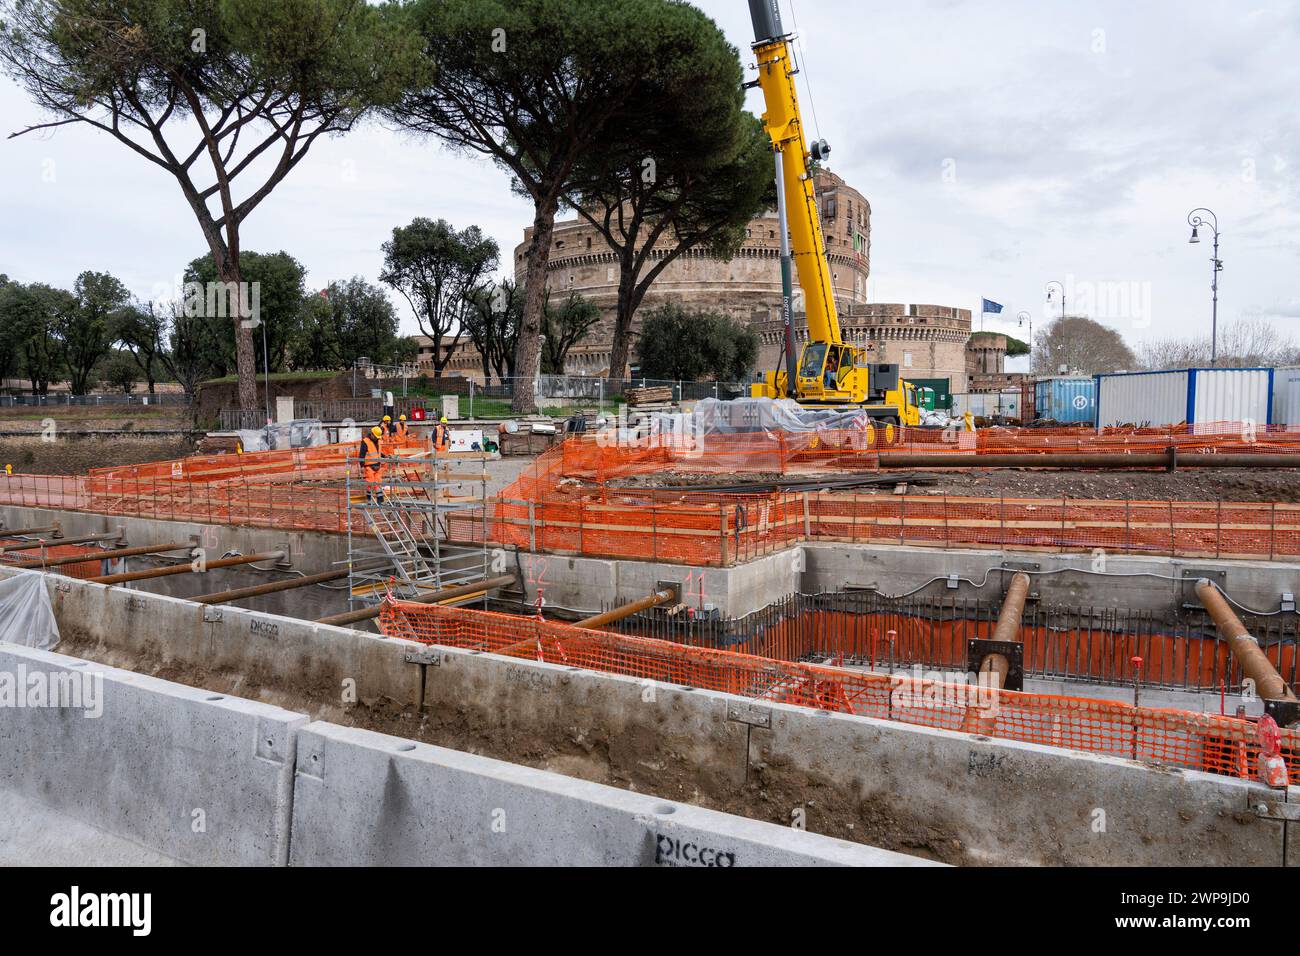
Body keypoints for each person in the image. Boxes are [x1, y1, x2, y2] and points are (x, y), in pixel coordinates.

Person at [359, 425, 385, 503]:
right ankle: (368, 497)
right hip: (369, 466)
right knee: (370, 482)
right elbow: (361, 454)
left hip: (378, 465)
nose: (377, 438)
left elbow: (378, 452)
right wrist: (361, 466)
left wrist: (385, 456)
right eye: (376, 436)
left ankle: (380, 498)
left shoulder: (378, 441)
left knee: (378, 482)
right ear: (372, 434)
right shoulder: (365, 441)